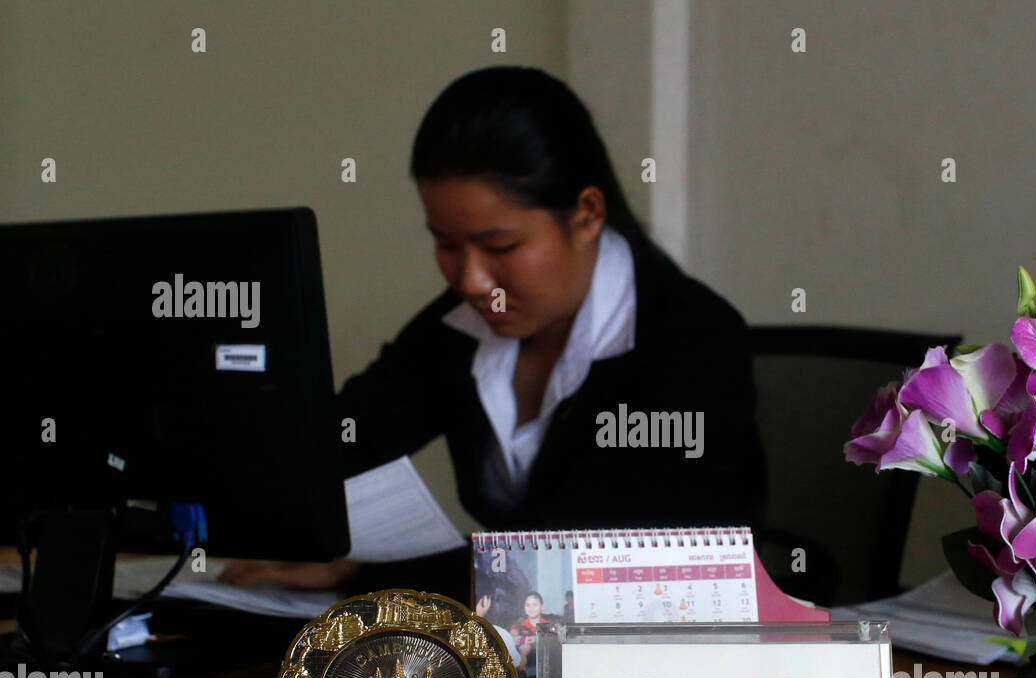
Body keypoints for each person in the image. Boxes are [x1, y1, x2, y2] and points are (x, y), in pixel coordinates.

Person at [220, 66, 764, 599]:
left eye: (500, 247)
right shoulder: (458, 326)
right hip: (507, 662)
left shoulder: (692, 340)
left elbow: (631, 578)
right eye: (447, 245)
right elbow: (338, 445)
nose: (472, 281)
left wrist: (365, 572)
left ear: (587, 214)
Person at [509, 591, 549, 674]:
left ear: (541, 606)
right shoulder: (519, 625)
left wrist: (537, 639)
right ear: (524, 607)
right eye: (528, 605)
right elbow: (511, 636)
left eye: (535, 604)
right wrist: (514, 639)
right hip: (525, 670)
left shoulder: (548, 625)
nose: (531, 608)